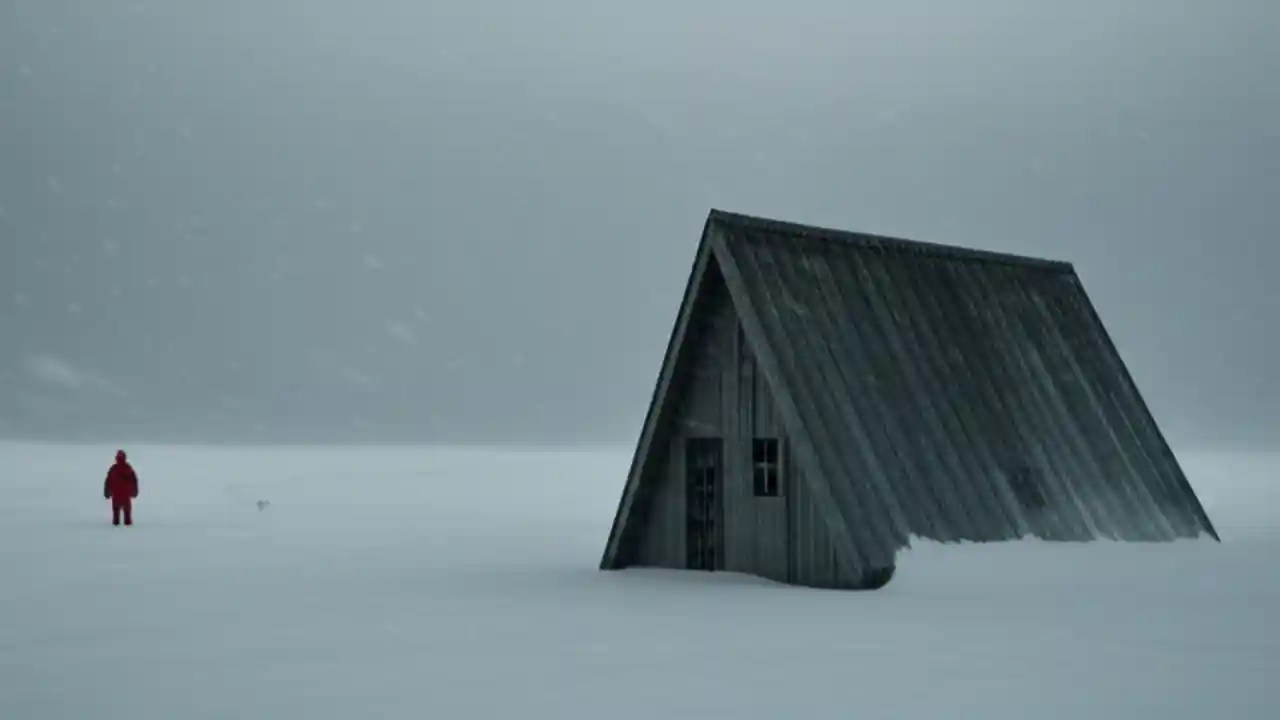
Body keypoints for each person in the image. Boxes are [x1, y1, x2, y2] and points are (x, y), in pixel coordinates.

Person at [103, 449, 139, 527]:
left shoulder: (114, 468)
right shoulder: (128, 468)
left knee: (116, 514)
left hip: (116, 495)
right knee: (127, 515)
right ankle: (128, 527)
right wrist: (135, 491)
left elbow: (108, 481)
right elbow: (134, 481)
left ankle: (116, 527)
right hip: (126, 495)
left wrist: (106, 492)